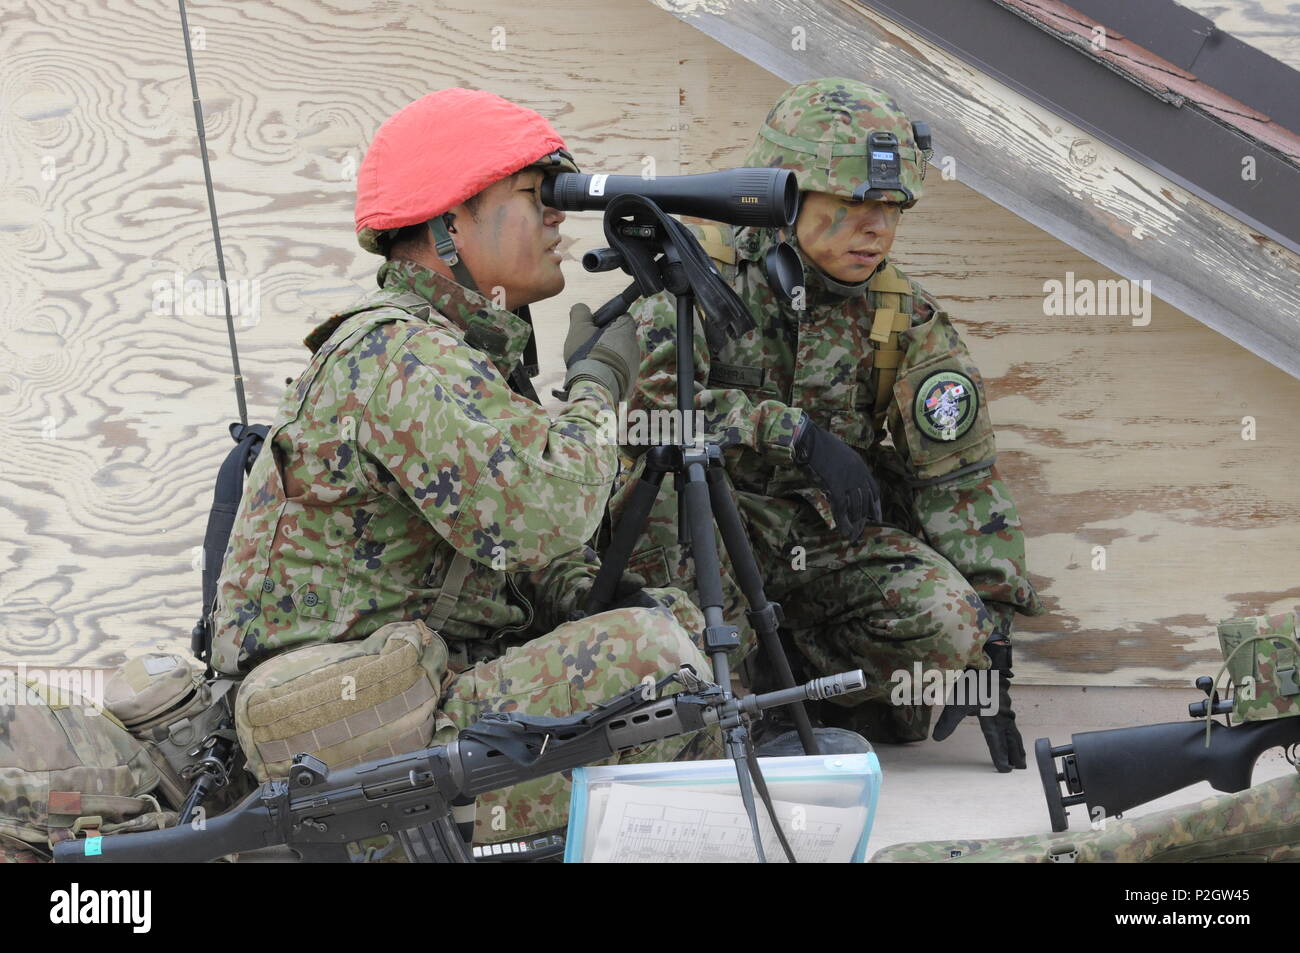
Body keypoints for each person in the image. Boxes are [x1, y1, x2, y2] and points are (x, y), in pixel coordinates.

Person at [210, 88, 716, 846]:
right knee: (655, 666)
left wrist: (591, 592)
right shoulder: (399, 352)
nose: (557, 217)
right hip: (344, 731)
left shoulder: (455, 349)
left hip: (404, 690)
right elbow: (548, 512)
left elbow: (494, 558)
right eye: (534, 195)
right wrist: (597, 385)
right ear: (450, 225)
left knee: (667, 621)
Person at [608, 78, 1045, 772]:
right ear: (785, 196)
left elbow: (958, 478)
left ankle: (789, 690)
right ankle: (729, 692)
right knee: (663, 552)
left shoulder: (899, 315)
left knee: (950, 624)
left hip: (820, 539)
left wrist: (992, 638)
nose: (878, 229)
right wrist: (792, 433)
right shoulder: (697, 271)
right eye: (854, 204)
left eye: (893, 207)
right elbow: (640, 417)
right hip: (708, 525)